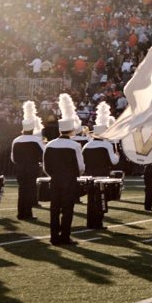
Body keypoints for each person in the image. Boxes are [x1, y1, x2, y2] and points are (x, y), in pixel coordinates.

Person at [43, 96, 85, 246]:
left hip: (55, 180)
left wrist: (54, 176)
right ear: (71, 130)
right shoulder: (75, 146)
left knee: (54, 209)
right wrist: (74, 176)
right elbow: (81, 167)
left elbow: (45, 166)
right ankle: (65, 236)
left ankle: (54, 237)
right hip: (69, 180)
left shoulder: (50, 145)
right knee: (67, 209)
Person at [82, 101, 118, 232]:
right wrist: (117, 155)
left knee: (91, 199)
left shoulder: (86, 145)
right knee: (101, 198)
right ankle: (98, 222)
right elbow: (114, 162)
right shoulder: (107, 145)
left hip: (89, 175)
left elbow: (83, 162)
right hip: (102, 175)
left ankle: (90, 222)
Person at [12, 101, 45, 222]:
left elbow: (13, 158)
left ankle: (21, 213)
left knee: (22, 190)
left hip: (20, 167)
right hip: (32, 167)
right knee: (30, 189)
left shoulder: (16, 140)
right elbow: (44, 153)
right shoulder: (36, 140)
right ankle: (28, 213)